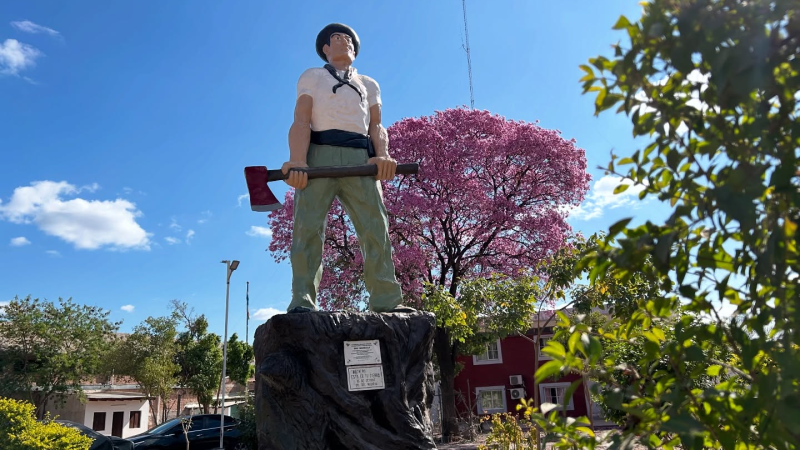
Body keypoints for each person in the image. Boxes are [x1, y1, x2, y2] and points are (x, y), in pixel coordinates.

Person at [281, 23, 408, 314]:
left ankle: (387, 300)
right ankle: (302, 300)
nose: (344, 41)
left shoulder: (369, 84)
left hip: (360, 158)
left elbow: (376, 125)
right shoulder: (312, 76)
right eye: (336, 38)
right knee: (307, 229)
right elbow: (301, 119)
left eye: (348, 39)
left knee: (376, 229)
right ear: (325, 48)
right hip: (319, 154)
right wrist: (297, 159)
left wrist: (383, 156)